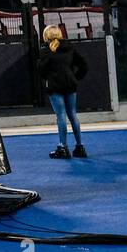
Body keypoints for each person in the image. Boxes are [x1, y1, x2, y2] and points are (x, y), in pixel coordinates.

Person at [39, 24, 88, 159]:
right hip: (70, 85)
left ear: (46, 36)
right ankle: (80, 147)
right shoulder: (70, 47)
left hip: (55, 86)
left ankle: (63, 147)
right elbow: (84, 65)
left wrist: (49, 77)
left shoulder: (45, 49)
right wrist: (75, 78)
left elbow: (41, 70)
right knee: (72, 113)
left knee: (61, 115)